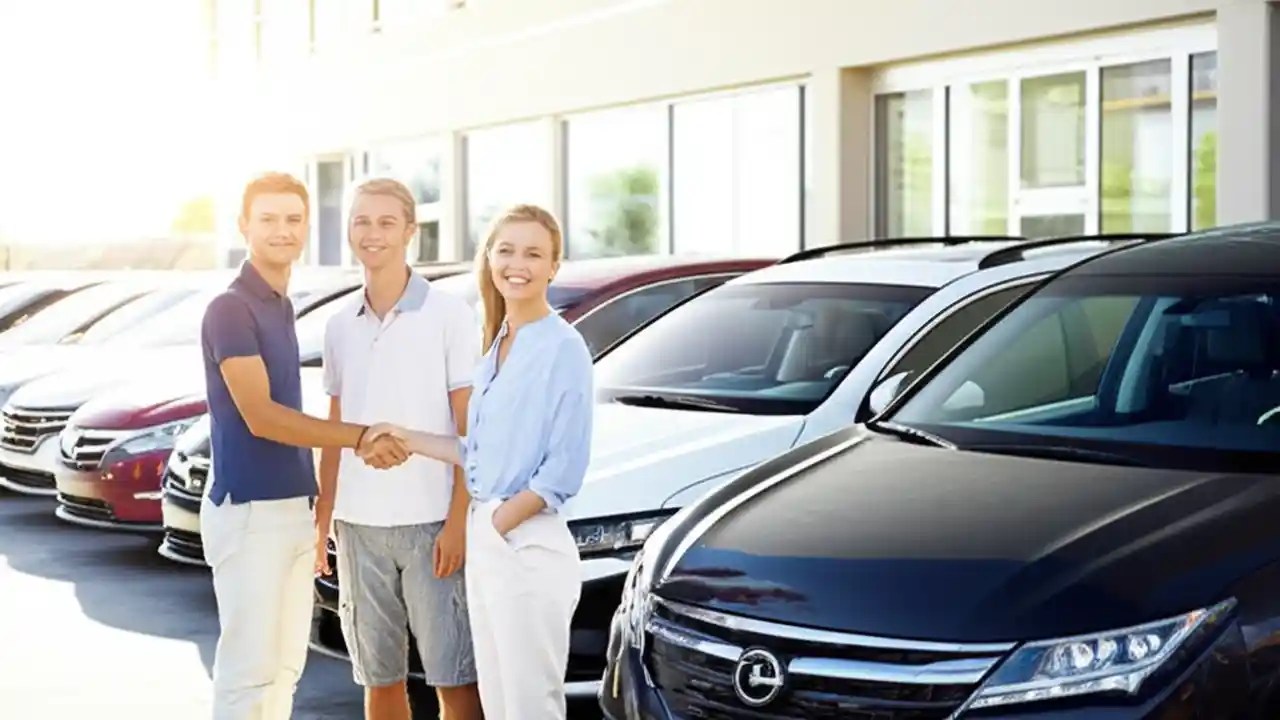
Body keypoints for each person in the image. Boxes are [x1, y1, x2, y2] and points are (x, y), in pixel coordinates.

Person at [201, 171, 408, 720]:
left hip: (292, 511)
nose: (282, 230)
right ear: (244, 226)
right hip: (249, 513)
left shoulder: (280, 304)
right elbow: (262, 417)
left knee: (284, 669)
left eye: (293, 219)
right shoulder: (231, 308)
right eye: (268, 219)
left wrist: (317, 513)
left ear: (307, 227)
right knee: (248, 673)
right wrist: (359, 436)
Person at [377, 204, 593, 720]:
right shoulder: (497, 344)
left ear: (553, 266)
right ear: (489, 258)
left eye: (533, 253)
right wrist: (408, 438)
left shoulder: (563, 347)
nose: (518, 264)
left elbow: (563, 470)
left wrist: (498, 525)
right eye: (506, 251)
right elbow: (480, 453)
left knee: (530, 706)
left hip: (526, 542)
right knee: (497, 703)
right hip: (489, 539)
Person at [315, 178, 483, 720]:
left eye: (387, 222)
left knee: (455, 680)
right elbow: (335, 429)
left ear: (411, 231)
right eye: (361, 221)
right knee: (379, 680)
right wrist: (324, 520)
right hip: (358, 526)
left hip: (432, 523)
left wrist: (458, 522)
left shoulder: (450, 315)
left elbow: (471, 433)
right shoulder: (339, 325)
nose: (373, 233)